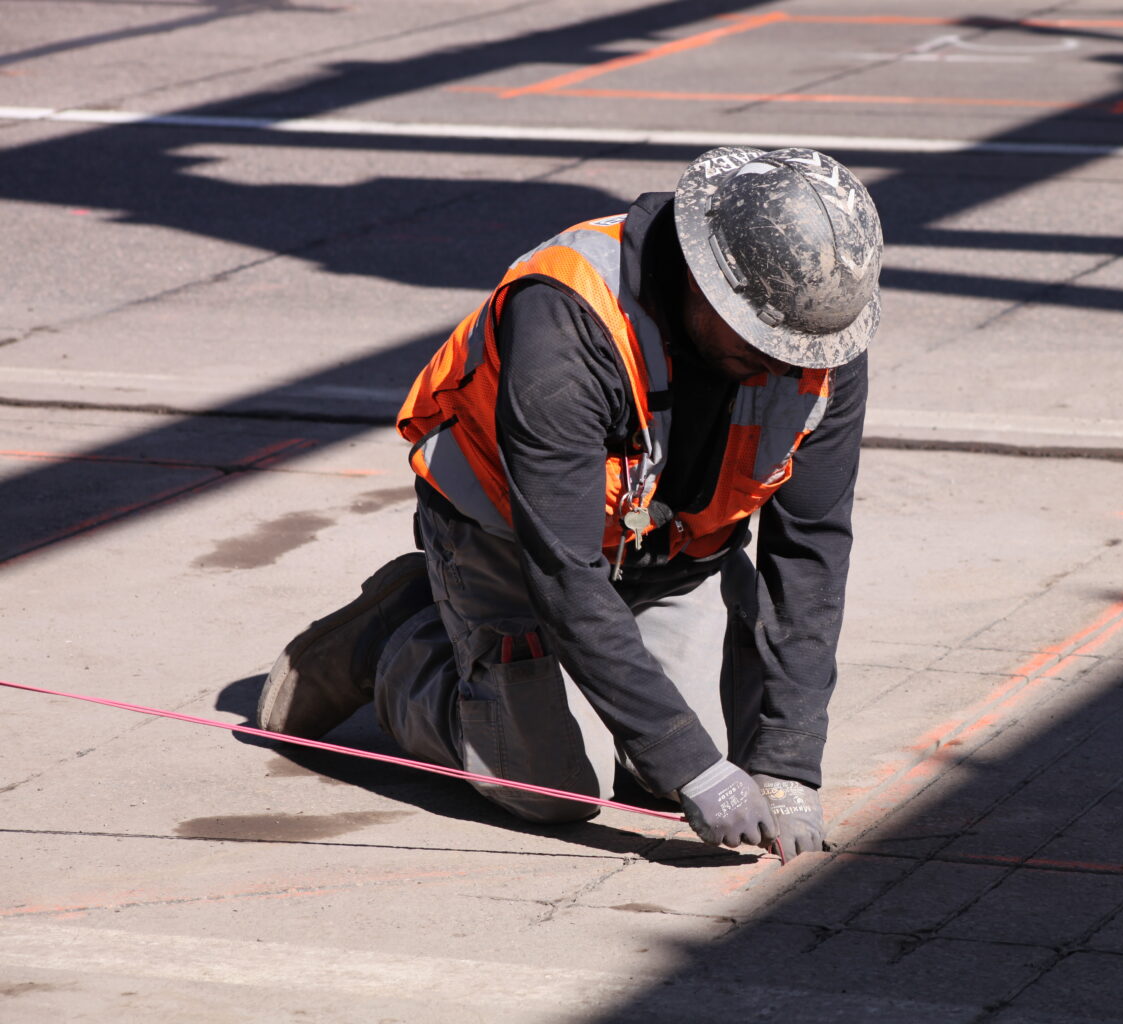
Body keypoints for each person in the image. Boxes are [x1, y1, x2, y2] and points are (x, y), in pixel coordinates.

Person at [257, 146, 881, 860]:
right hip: (508, 538)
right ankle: (398, 646)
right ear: (707, 289)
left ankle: (539, 675)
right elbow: (564, 568)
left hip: (668, 552)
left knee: (663, 776)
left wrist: (787, 764)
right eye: (763, 351)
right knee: (554, 789)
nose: (786, 371)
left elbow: (811, 549)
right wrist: (693, 765)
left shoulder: (816, 330)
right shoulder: (567, 316)